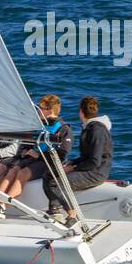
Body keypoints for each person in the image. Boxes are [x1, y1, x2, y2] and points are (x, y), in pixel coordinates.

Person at [0, 96, 73, 219]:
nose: (38, 112)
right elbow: (27, 143)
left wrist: (39, 155)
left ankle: (2, 206)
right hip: (32, 159)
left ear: (50, 111)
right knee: (12, 170)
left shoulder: (64, 129)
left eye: (41, 109)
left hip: (48, 162)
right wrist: (26, 152)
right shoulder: (40, 126)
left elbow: (63, 153)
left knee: (23, 173)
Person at [43, 96, 113, 225]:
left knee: (55, 183)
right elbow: (88, 156)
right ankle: (55, 210)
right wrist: (72, 162)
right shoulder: (89, 127)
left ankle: (72, 214)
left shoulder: (96, 130)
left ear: (81, 112)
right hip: (89, 167)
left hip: (96, 172)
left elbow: (94, 161)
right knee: (49, 175)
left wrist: (73, 168)